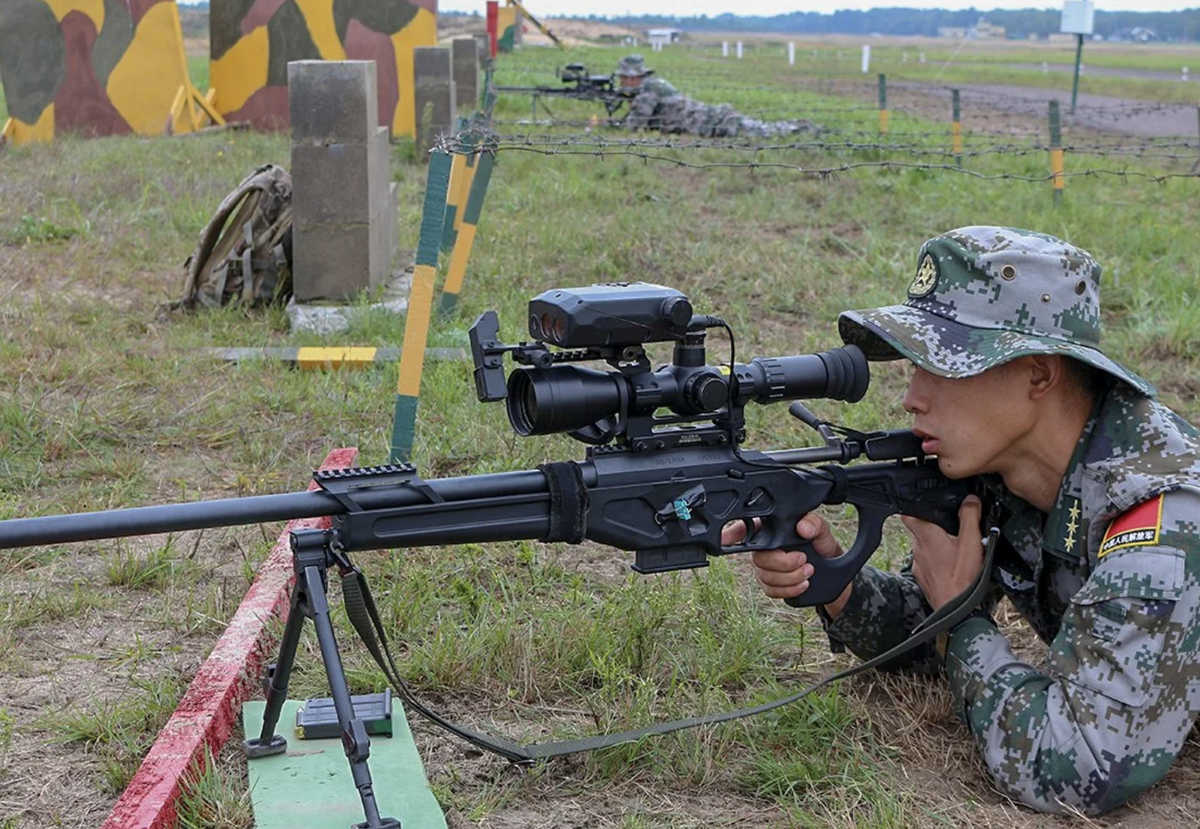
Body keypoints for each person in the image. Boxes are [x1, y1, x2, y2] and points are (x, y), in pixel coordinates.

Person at [740, 226, 1200, 815]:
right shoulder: (1010, 463)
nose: (912, 398)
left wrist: (962, 624)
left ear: (1038, 374)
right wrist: (839, 584)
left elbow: (1077, 769)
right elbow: (928, 616)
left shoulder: (1160, 518)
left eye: (945, 365)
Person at [615, 55, 818, 138]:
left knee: (764, 132)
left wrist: (608, 123)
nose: (624, 82)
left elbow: (634, 124)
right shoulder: (652, 85)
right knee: (760, 129)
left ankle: (802, 127)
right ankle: (800, 127)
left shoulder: (649, 89)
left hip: (712, 121)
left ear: (635, 78)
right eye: (623, 78)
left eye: (626, 78)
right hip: (709, 117)